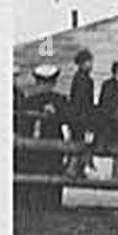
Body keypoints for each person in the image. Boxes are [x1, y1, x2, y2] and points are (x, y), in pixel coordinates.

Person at [16, 63, 70, 207]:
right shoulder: (59, 100)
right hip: (43, 147)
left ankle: (46, 203)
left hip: (41, 146)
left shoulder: (30, 101)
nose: (45, 86)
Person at [67, 48, 96, 178]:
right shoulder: (82, 80)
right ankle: (73, 169)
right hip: (80, 117)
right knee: (79, 142)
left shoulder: (82, 78)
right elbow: (81, 101)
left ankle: (77, 168)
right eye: (88, 62)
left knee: (79, 141)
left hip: (79, 116)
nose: (91, 65)